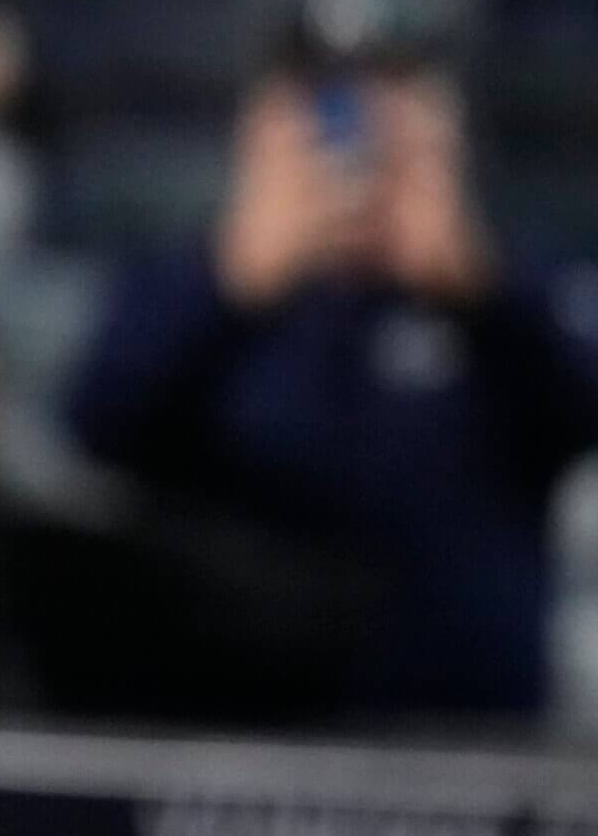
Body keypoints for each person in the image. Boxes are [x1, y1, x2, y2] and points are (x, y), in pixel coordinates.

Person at [66, 52, 598, 720]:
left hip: (465, 747)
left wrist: (476, 284)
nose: (361, 157)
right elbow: (97, 424)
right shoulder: (201, 289)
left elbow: (583, 404)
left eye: (396, 119)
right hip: (237, 747)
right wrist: (231, 280)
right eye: (334, 117)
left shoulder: (510, 288)